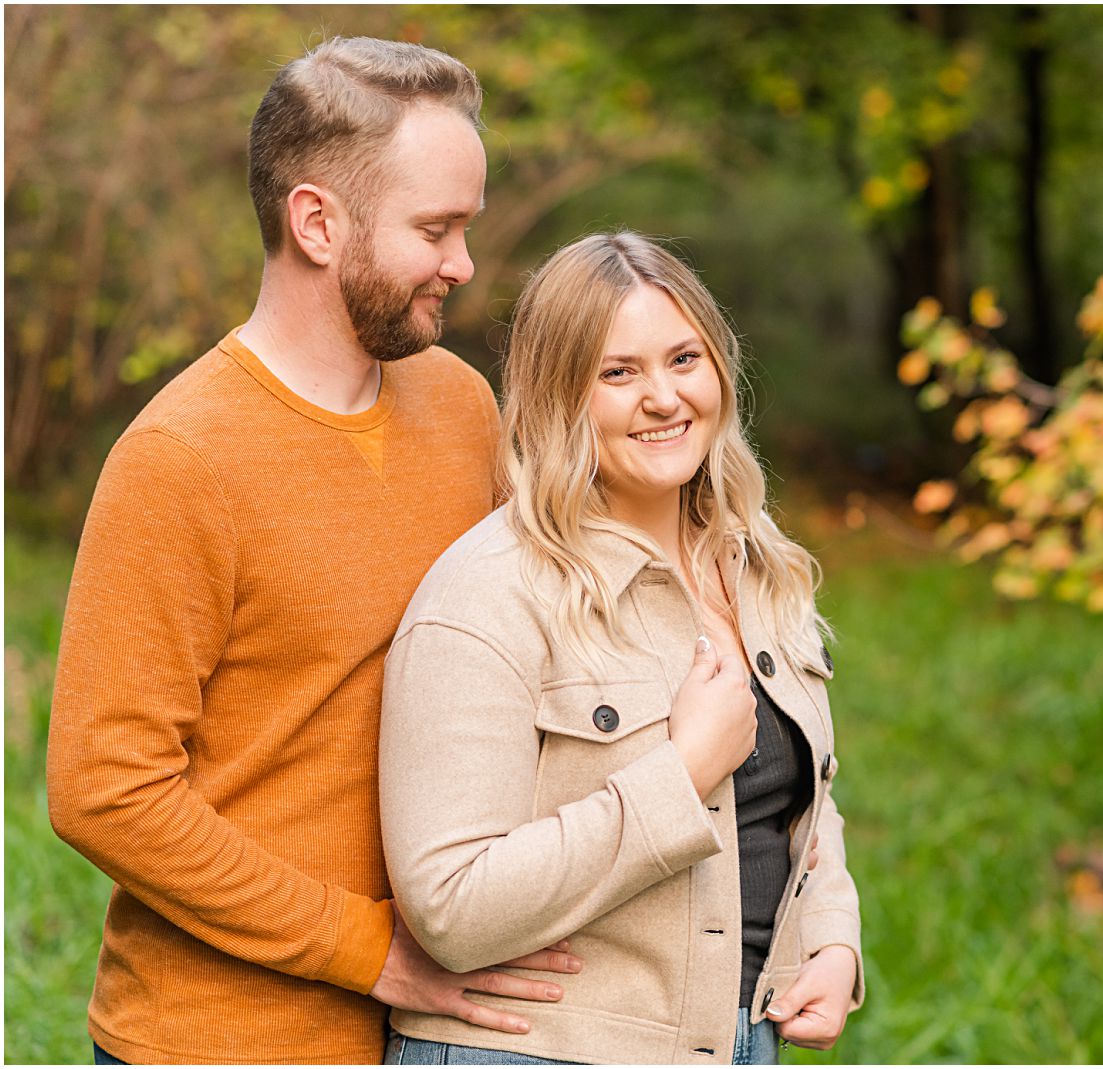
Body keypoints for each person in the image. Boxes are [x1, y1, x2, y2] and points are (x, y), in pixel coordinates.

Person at [47, 36, 580, 1065]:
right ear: (317, 222)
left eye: (465, 229)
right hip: (216, 1037)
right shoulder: (178, 459)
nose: (464, 265)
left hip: (435, 1028)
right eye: (435, 229)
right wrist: (362, 947)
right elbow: (105, 788)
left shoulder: (461, 405)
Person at [377, 232, 865, 1065]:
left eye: (684, 359)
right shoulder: (490, 593)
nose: (664, 397)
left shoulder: (756, 564)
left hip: (738, 1039)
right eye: (618, 372)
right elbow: (450, 903)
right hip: (539, 1051)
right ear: (559, 395)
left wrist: (830, 936)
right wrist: (680, 773)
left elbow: (799, 801)